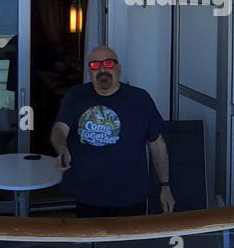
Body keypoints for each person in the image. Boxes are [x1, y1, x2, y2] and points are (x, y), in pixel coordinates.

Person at [47, 44, 172, 216]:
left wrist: (165, 186)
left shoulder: (140, 99)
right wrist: (62, 148)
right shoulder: (76, 96)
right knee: (90, 241)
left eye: (108, 63)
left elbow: (157, 145)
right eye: (95, 65)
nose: (102, 69)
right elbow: (60, 128)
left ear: (119, 69)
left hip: (130, 196)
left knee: (126, 243)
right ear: (89, 72)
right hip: (86, 195)